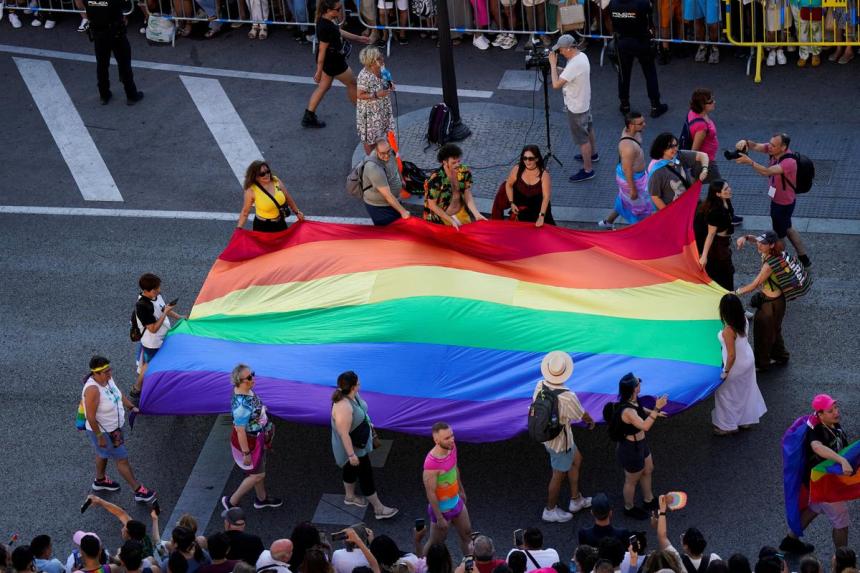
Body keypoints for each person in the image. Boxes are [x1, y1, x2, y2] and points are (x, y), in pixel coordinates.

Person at [779, 395, 852, 554]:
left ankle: (790, 540)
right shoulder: (816, 430)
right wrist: (841, 460)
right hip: (823, 483)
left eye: (836, 408)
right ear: (820, 414)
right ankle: (843, 559)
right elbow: (817, 447)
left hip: (821, 481)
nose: (836, 413)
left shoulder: (832, 424)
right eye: (830, 411)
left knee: (815, 507)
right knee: (841, 522)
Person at [82, 355, 156, 503]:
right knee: (122, 459)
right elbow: (90, 416)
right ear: (95, 373)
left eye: (110, 370)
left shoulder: (107, 380)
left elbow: (117, 393)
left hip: (113, 428)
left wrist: (130, 406)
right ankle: (138, 491)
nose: (110, 374)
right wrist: (99, 436)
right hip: (105, 432)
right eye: (106, 371)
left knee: (102, 453)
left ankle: (100, 480)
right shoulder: (93, 390)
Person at [733, 134, 811, 267]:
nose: (769, 147)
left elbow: (767, 171)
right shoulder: (773, 150)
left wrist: (750, 162)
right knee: (787, 228)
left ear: (783, 147)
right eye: (770, 143)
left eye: (773, 145)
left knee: (779, 235)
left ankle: (781, 263)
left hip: (782, 204)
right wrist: (745, 142)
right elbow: (756, 145)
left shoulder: (789, 162)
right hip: (780, 200)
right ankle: (804, 258)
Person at [534, 351, 595, 523]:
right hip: (561, 441)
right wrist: (591, 422)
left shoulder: (540, 386)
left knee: (576, 460)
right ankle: (550, 509)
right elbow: (581, 414)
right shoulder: (567, 396)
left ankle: (576, 499)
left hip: (547, 436)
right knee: (558, 475)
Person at [331, 370, 398, 519]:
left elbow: (360, 411)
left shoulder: (350, 395)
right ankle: (379, 509)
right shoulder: (344, 407)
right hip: (352, 447)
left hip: (355, 444)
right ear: (353, 386)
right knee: (365, 474)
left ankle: (350, 497)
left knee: (350, 469)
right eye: (358, 382)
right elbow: (344, 434)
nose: (360, 383)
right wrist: (351, 454)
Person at [302, 0, 371, 128]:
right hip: (333, 62)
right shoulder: (325, 26)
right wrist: (318, 71)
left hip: (330, 61)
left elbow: (338, 31)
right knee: (352, 83)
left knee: (324, 86)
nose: (340, 11)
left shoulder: (327, 20)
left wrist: (358, 38)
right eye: (338, 9)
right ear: (328, 10)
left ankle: (308, 116)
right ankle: (363, 115)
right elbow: (322, 50)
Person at [222, 363, 282, 511]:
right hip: (251, 442)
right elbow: (240, 430)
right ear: (239, 382)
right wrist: (246, 453)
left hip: (257, 438)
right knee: (257, 475)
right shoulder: (241, 406)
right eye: (249, 377)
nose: (253, 378)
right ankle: (231, 501)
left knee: (257, 471)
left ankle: (261, 499)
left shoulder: (245, 390)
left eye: (252, 374)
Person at [733, 231, 796, 372]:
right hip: (778, 301)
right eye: (760, 242)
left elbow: (754, 285)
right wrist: (745, 237)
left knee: (763, 333)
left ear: (771, 245)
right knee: (774, 329)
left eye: (763, 243)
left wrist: (735, 293)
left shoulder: (769, 265)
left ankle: (762, 364)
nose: (759, 245)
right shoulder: (775, 252)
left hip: (771, 304)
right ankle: (780, 356)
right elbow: (755, 239)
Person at [613, 373, 667, 519]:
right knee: (631, 480)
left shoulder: (633, 401)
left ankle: (648, 500)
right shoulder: (627, 411)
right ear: (634, 389)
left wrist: (654, 412)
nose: (640, 385)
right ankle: (629, 508)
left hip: (641, 443)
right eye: (638, 384)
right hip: (631, 448)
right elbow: (645, 425)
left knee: (648, 469)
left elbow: (641, 411)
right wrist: (656, 409)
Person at [712, 293, 767, 435]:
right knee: (744, 390)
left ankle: (727, 426)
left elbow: (731, 355)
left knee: (724, 393)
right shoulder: (742, 319)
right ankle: (745, 420)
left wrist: (725, 371)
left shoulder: (728, 330)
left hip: (735, 365)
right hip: (747, 359)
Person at [548, 34, 598, 183]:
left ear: (569, 48)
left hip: (575, 107)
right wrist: (560, 68)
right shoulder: (581, 56)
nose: (560, 52)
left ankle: (588, 169)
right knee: (589, 129)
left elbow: (556, 85)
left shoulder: (574, 63)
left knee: (582, 140)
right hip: (584, 102)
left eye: (561, 50)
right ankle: (593, 154)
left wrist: (552, 65)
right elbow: (571, 73)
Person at [609, 0, 668, 118]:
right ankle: (655, 105)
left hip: (623, 41)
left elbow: (612, 22)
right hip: (641, 41)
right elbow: (649, 21)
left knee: (623, 74)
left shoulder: (613, 3)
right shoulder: (643, 3)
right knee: (650, 73)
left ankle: (624, 104)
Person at [423, 422, 473, 555]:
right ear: (436, 440)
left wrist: (461, 490)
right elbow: (430, 492)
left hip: (457, 502)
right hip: (442, 510)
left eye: (452, 435)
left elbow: (454, 468)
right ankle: (421, 566)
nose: (452, 440)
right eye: (447, 438)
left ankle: (470, 565)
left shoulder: (452, 447)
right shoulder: (431, 463)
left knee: (467, 535)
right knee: (436, 545)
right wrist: (439, 518)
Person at [132, 272, 182, 401]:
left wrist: (180, 317)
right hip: (153, 342)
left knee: (156, 362)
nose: (159, 290)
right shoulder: (142, 306)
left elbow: (163, 308)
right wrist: (165, 313)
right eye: (156, 289)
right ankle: (137, 388)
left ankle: (161, 385)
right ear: (147, 290)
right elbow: (153, 329)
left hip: (163, 336)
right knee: (149, 365)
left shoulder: (156, 296)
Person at [84, 0, 143, 105]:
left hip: (98, 32)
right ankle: (131, 95)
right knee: (124, 64)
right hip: (115, 32)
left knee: (102, 65)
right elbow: (125, 5)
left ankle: (104, 95)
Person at [599, 111, 651, 228]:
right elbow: (627, 169)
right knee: (639, 210)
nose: (644, 124)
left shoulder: (631, 131)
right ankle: (637, 231)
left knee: (624, 201)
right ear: (631, 126)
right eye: (640, 123)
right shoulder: (628, 147)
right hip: (633, 179)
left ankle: (608, 222)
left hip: (637, 177)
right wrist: (633, 189)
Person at [423, 144, 487, 228]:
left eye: (458, 161)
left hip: (461, 213)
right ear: (444, 162)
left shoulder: (464, 171)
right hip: (442, 219)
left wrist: (476, 213)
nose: (457, 165)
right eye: (453, 163)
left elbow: (467, 192)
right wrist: (450, 220)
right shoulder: (436, 179)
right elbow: (432, 205)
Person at [237, 161, 304, 233]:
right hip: (262, 227)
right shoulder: (251, 190)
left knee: (284, 243)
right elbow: (245, 212)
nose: (266, 175)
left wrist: (297, 212)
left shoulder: (275, 180)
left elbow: (287, 196)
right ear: (255, 176)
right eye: (262, 174)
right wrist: (239, 229)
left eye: (267, 171)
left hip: (280, 223)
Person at [648, 132, 709, 211]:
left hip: (690, 204)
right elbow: (655, 197)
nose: (676, 149)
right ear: (661, 149)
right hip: (675, 210)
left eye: (676, 145)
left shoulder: (679, 156)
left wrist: (704, 169)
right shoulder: (657, 172)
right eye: (671, 146)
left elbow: (703, 156)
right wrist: (668, 213)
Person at [355, 46, 396, 155]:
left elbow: (387, 78)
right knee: (370, 138)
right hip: (370, 111)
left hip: (382, 106)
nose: (382, 59)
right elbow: (359, 95)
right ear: (371, 62)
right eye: (378, 58)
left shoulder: (381, 68)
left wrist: (391, 83)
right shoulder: (364, 76)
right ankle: (371, 160)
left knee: (385, 131)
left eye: (380, 56)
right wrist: (376, 94)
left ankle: (385, 154)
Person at [697, 180, 736, 290]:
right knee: (725, 275)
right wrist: (704, 256)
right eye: (726, 189)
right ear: (718, 194)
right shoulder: (715, 211)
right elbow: (711, 234)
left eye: (728, 187)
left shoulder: (726, 201)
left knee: (725, 274)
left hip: (723, 244)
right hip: (718, 248)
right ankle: (728, 299)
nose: (729, 190)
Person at [361, 138, 410, 226]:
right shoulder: (374, 168)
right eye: (383, 153)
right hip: (380, 208)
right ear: (376, 151)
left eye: (388, 151)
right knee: (390, 232)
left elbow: (396, 167)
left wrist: (401, 179)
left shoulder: (391, 153)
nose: (387, 156)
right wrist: (403, 212)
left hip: (393, 201)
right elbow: (387, 195)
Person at [503, 145, 555, 227]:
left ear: (537, 159)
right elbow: (508, 184)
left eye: (531, 158)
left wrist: (541, 216)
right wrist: (512, 203)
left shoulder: (544, 175)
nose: (527, 161)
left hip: (539, 210)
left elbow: (546, 197)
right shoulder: (516, 170)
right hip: (522, 212)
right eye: (525, 158)